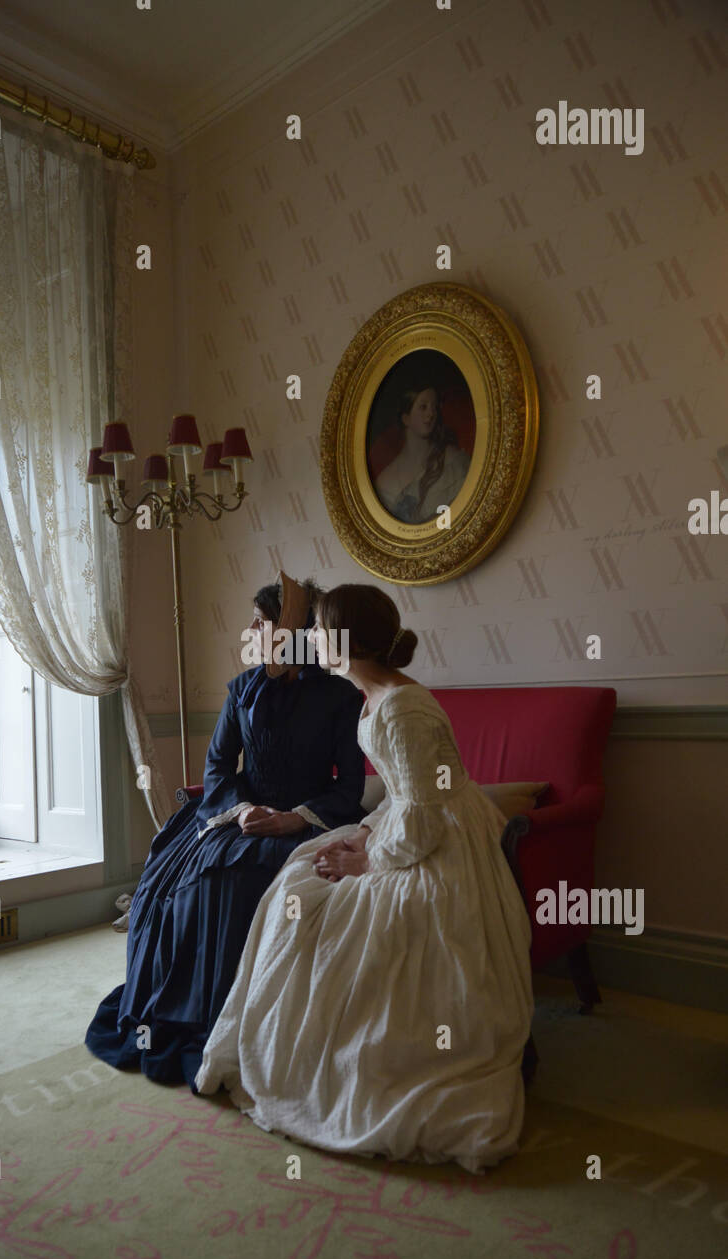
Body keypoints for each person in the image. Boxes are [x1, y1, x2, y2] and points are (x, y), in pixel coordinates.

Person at [195, 583, 534, 1175]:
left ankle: (330, 1062)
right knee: (301, 876)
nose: (312, 639)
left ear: (342, 638)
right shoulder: (376, 696)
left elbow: (428, 816)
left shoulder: (402, 707)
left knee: (321, 901)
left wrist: (370, 859)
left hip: (438, 848)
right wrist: (367, 833)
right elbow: (408, 798)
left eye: (320, 627)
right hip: (413, 826)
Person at [85, 573, 365, 1089]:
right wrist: (240, 811)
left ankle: (230, 1022)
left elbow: (349, 788)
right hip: (239, 815)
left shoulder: (340, 698)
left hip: (301, 823)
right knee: (173, 883)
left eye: (259, 621)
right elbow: (217, 768)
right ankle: (178, 1011)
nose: (250, 630)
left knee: (235, 883)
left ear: (291, 630)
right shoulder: (242, 689)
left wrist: (294, 817)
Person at [372, 384, 470, 523]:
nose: (431, 413)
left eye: (434, 407)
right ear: (406, 418)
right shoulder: (384, 482)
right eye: (423, 407)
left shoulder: (454, 461)